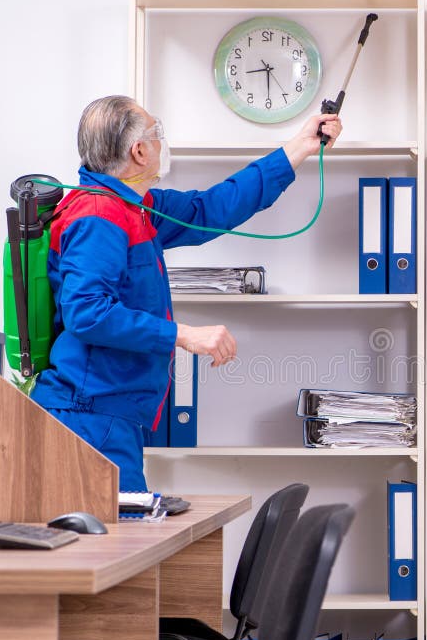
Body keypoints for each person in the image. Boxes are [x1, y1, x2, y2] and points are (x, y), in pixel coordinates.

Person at [32, 95, 342, 491]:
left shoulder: (134, 208)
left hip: (108, 414)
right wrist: (184, 335)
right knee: (116, 545)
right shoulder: (99, 216)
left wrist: (301, 145)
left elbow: (211, 208)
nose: (162, 141)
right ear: (139, 151)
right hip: (89, 417)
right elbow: (88, 312)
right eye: (156, 133)